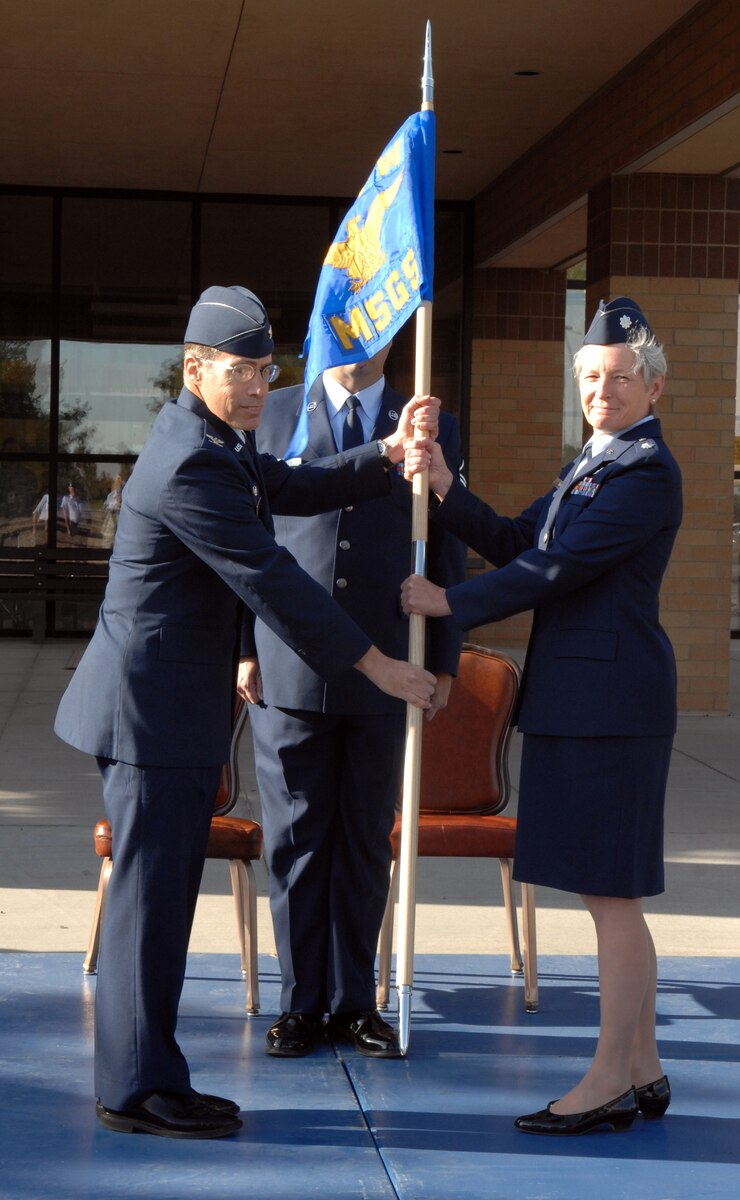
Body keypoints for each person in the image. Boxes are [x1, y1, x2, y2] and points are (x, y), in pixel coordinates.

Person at [54, 285, 439, 1140]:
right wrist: (377, 663)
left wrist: (384, 454)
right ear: (195, 368)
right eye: (243, 371)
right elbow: (274, 581)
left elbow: (290, 483)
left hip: (167, 715)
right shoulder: (193, 461)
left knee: (160, 907)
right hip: (150, 720)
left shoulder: (212, 440)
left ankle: (151, 1076)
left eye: (268, 369)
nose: (262, 385)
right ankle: (135, 1090)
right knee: (149, 910)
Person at [401, 297, 682, 1137]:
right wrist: (446, 488)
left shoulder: (644, 473)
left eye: (619, 378)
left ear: (654, 387)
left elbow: (557, 569)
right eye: (590, 377)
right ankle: (642, 1064)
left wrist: (449, 601)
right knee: (611, 896)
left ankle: (606, 1080)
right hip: (583, 702)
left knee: (612, 896)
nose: (602, 391)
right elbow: (522, 539)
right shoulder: (592, 463)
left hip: (612, 708)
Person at [242, 343, 465, 1059]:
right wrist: (242, 647)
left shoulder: (425, 422)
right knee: (296, 842)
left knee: (366, 841)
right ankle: (301, 1005)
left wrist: (443, 658)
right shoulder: (271, 413)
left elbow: (448, 542)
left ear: (394, 336)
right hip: (288, 663)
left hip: (386, 665)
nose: (359, 341)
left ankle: (354, 1003)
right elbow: (239, 541)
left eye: (374, 328)